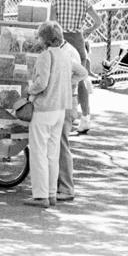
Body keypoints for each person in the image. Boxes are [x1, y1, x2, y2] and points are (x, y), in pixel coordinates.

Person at [25, 21, 88, 208]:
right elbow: (82, 72)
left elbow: (41, 83)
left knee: (38, 153)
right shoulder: (64, 55)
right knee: (53, 152)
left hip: (44, 108)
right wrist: (65, 85)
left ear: (44, 38)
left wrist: (30, 91)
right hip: (60, 108)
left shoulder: (45, 56)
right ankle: (52, 193)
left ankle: (40, 195)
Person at [50, 0, 101, 134]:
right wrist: (87, 30)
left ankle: (60, 118)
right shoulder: (84, 2)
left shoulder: (57, 1)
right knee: (81, 80)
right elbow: (98, 21)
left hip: (62, 41)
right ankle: (85, 118)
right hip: (78, 41)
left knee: (58, 80)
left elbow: (52, 23)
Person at [56, 38, 86, 202]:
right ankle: (59, 185)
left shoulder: (67, 53)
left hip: (66, 101)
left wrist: (65, 84)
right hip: (64, 99)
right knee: (58, 142)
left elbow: (81, 73)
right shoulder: (65, 51)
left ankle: (66, 187)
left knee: (61, 143)